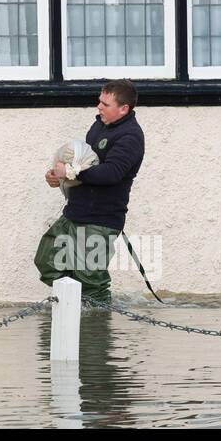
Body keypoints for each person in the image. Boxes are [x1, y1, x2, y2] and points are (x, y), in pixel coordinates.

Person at [35, 79, 144, 306]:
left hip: (100, 221)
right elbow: (83, 164)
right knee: (48, 262)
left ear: (124, 109)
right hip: (75, 213)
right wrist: (58, 176)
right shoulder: (98, 127)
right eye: (99, 101)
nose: (99, 107)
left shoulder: (130, 136)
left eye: (105, 104)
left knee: (91, 282)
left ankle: (96, 333)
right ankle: (73, 308)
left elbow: (111, 173)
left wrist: (71, 172)